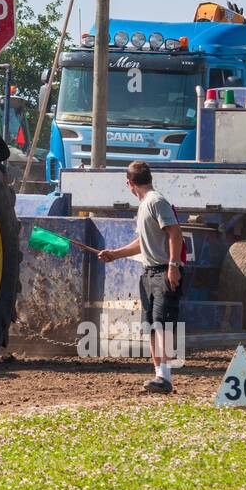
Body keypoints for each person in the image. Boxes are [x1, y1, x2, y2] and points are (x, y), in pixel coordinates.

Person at [97, 160, 184, 394]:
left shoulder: (156, 201)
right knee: (152, 327)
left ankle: (165, 377)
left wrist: (173, 266)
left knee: (161, 324)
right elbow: (141, 244)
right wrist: (115, 254)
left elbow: (175, 233)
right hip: (148, 273)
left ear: (130, 183)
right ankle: (160, 376)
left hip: (163, 271)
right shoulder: (144, 205)